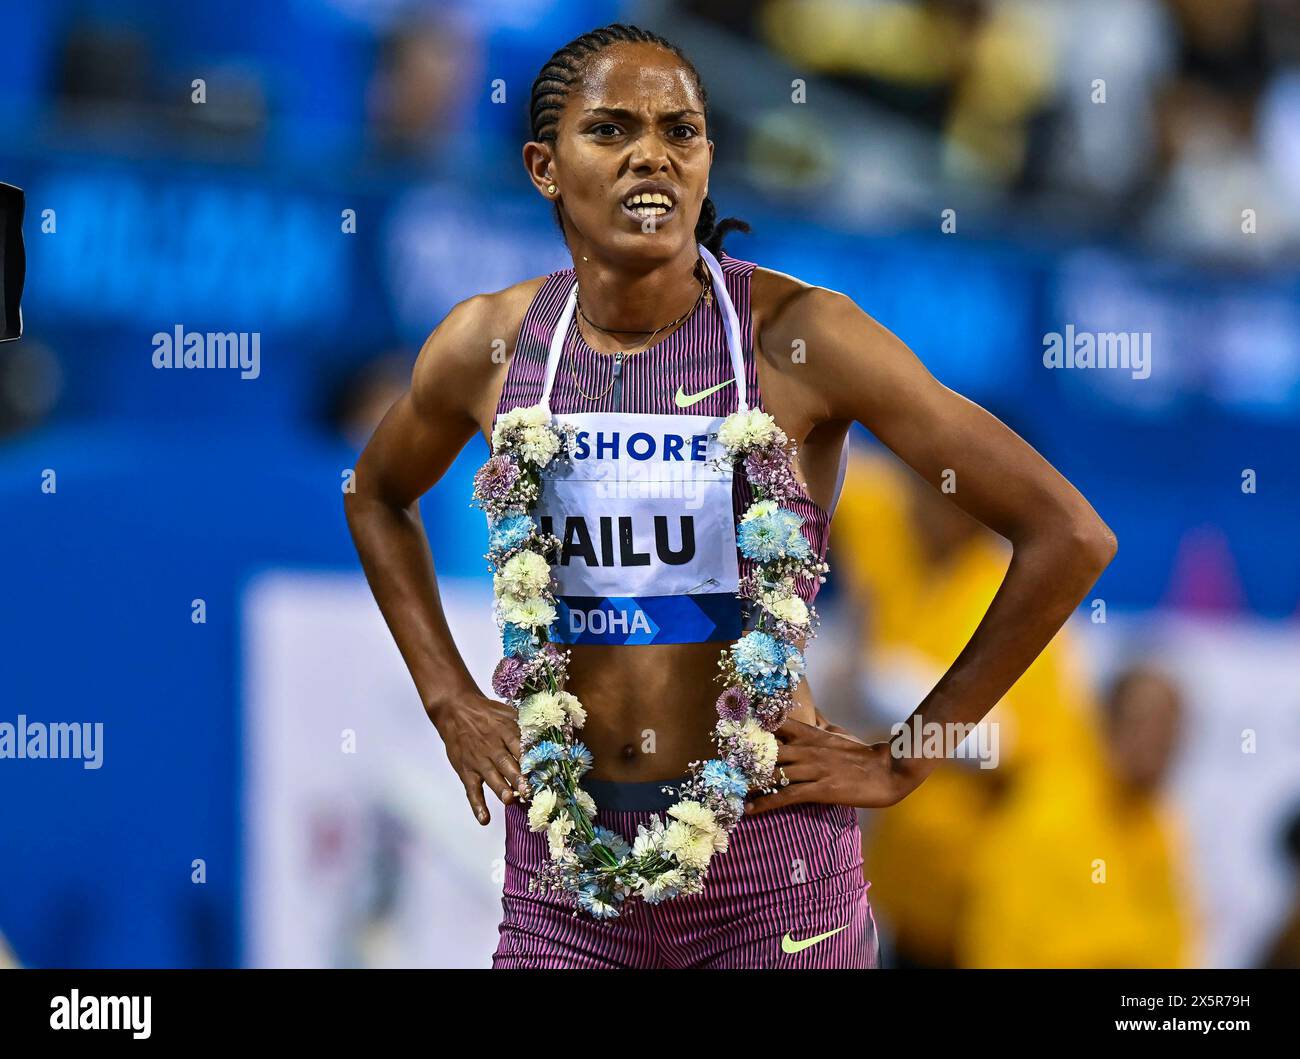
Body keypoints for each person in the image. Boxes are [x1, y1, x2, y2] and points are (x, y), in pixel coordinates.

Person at [343, 23, 1116, 969]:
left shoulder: (800, 337)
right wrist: (448, 696)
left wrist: (908, 754)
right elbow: (376, 494)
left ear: (710, 157)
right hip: (565, 871)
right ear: (545, 166)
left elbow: (1069, 534)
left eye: (682, 130)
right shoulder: (489, 345)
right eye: (612, 130)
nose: (651, 156)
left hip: (772, 872)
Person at [956, 664, 1200, 967]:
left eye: (1171, 729)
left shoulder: (1157, 821)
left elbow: (1171, 939)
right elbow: (999, 941)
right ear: (1108, 722)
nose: (1160, 743)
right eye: (1146, 724)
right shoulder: (1049, 808)